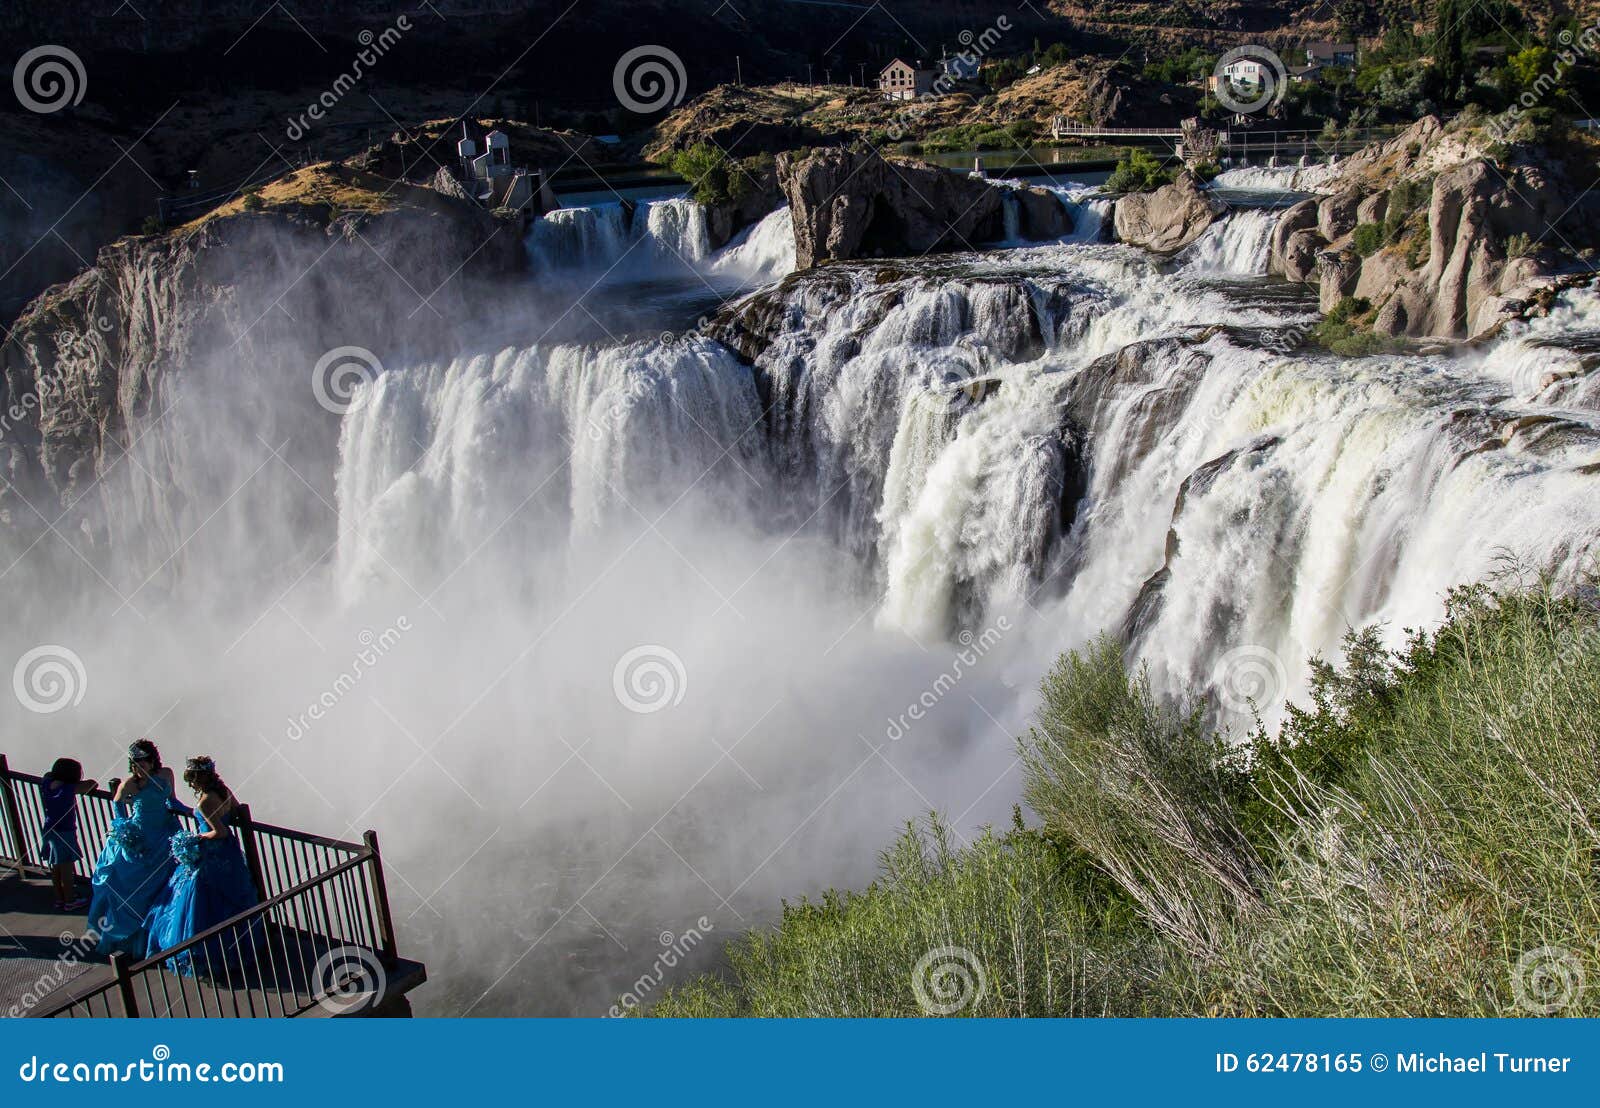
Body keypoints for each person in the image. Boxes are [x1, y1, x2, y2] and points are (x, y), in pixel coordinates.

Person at [143, 757, 261, 976]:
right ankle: (237, 949)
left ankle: (208, 954)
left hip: (212, 853)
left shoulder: (205, 801)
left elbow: (219, 832)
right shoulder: (223, 791)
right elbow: (234, 812)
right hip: (229, 852)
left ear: (198, 778)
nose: (192, 785)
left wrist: (197, 837)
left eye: (192, 780)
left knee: (198, 900)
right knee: (230, 899)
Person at [87, 739, 184, 955]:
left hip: (164, 835)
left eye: (142, 763)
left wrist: (191, 813)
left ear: (152, 761)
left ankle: (157, 935)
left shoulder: (166, 774)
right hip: (142, 837)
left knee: (164, 884)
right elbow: (118, 805)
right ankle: (131, 939)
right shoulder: (130, 783)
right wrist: (125, 832)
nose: (138, 767)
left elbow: (172, 802)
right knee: (134, 890)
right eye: (135, 764)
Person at [39, 758, 99, 911]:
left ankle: (59, 898)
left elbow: (46, 774)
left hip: (49, 830)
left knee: (55, 867)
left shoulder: (46, 784)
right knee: (66, 869)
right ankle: (70, 900)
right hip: (64, 832)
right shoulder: (68, 789)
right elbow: (92, 784)